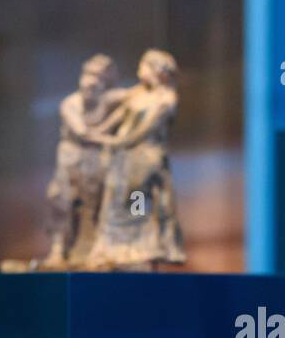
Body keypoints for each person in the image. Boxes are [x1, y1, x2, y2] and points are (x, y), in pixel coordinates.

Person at [83, 49, 184, 270]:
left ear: (156, 70)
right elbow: (119, 115)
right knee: (114, 202)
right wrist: (99, 130)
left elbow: (143, 131)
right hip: (123, 157)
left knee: (136, 202)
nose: (139, 70)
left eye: (143, 66)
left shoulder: (166, 99)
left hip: (145, 157)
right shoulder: (137, 93)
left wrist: (110, 141)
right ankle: (112, 251)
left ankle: (139, 250)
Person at [44, 54, 125, 267]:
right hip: (71, 155)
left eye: (97, 77)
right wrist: (115, 139)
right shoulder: (70, 103)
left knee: (101, 198)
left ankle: (100, 249)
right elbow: (82, 132)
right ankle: (58, 248)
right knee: (61, 197)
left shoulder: (108, 101)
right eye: (87, 75)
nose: (90, 81)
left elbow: (131, 96)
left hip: (97, 156)